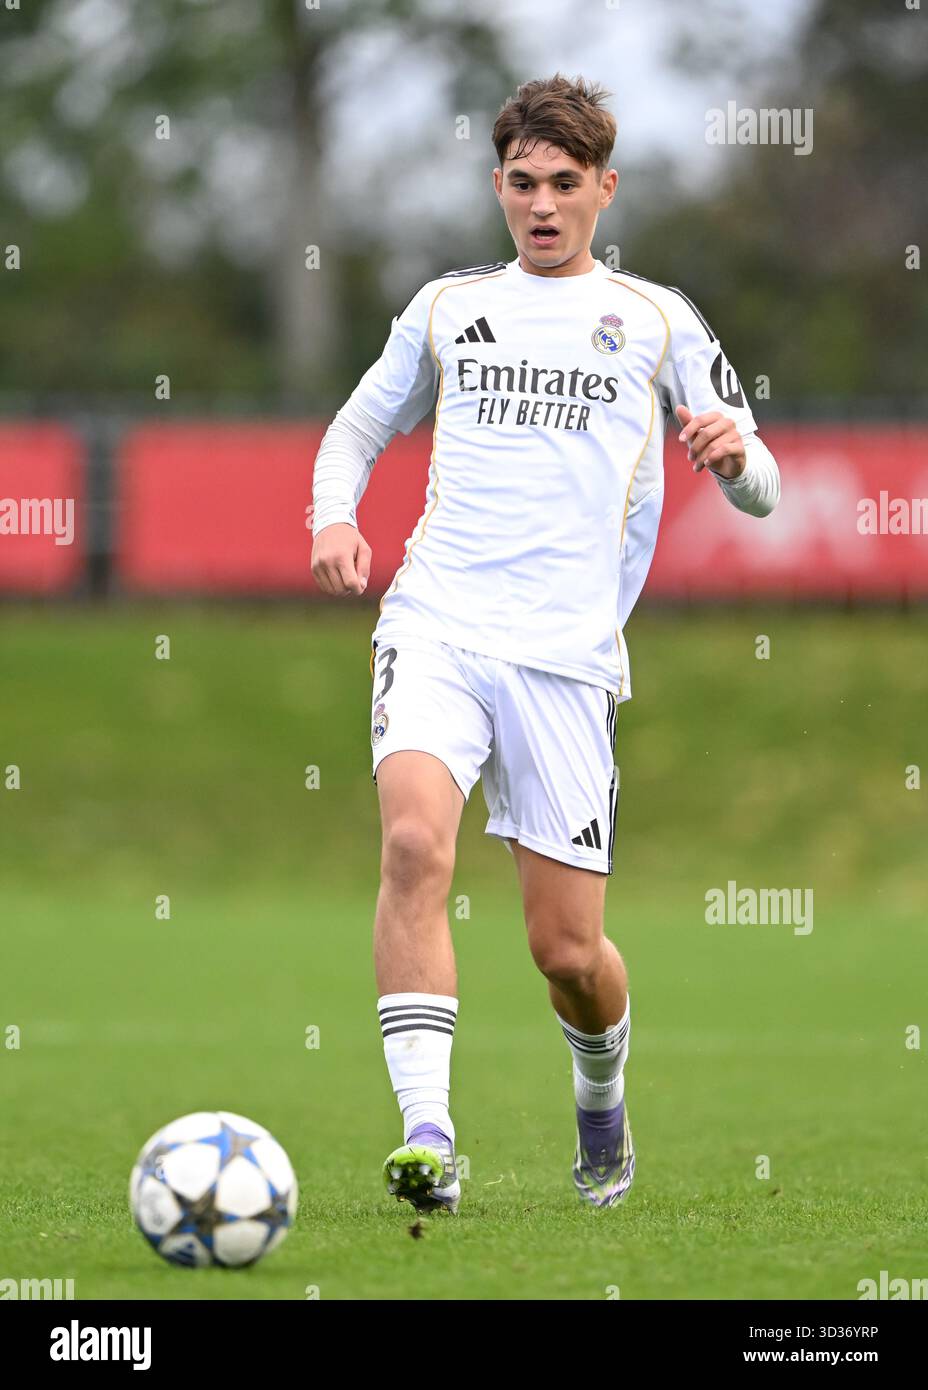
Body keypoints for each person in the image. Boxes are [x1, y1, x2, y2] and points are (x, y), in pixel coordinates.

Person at [311, 73, 780, 1214]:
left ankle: (600, 1091)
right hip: (437, 623)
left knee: (567, 953)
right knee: (415, 847)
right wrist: (332, 513)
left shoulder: (658, 318)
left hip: (567, 660)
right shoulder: (446, 306)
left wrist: (732, 459)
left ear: (604, 189)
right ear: (498, 186)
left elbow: (763, 483)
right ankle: (429, 1136)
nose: (541, 205)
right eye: (521, 183)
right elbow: (362, 421)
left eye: (564, 184)